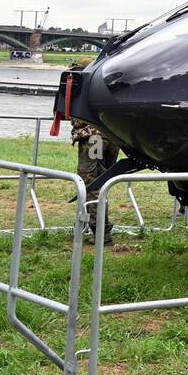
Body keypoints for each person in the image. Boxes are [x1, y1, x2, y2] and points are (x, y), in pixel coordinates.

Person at [69, 56, 122, 244]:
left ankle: (101, 233)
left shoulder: (86, 88)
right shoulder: (106, 86)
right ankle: (93, 225)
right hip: (111, 137)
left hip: (95, 140)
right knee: (101, 183)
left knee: (93, 184)